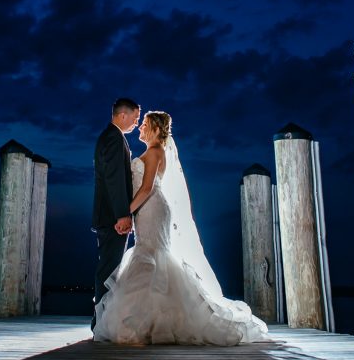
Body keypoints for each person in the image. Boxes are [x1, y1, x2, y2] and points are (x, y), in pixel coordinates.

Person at [93, 111, 270, 345]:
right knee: (149, 255)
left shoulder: (156, 152)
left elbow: (146, 189)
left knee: (152, 255)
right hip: (146, 210)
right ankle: (148, 319)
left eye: (144, 124)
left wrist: (127, 212)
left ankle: (155, 321)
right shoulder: (152, 151)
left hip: (152, 207)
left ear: (156, 129)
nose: (140, 128)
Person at [91, 97, 141, 330]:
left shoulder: (111, 137)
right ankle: (101, 322)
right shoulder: (113, 138)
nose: (136, 122)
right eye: (135, 117)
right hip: (112, 217)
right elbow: (114, 179)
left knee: (110, 268)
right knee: (109, 270)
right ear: (123, 115)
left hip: (110, 215)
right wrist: (123, 214)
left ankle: (103, 320)